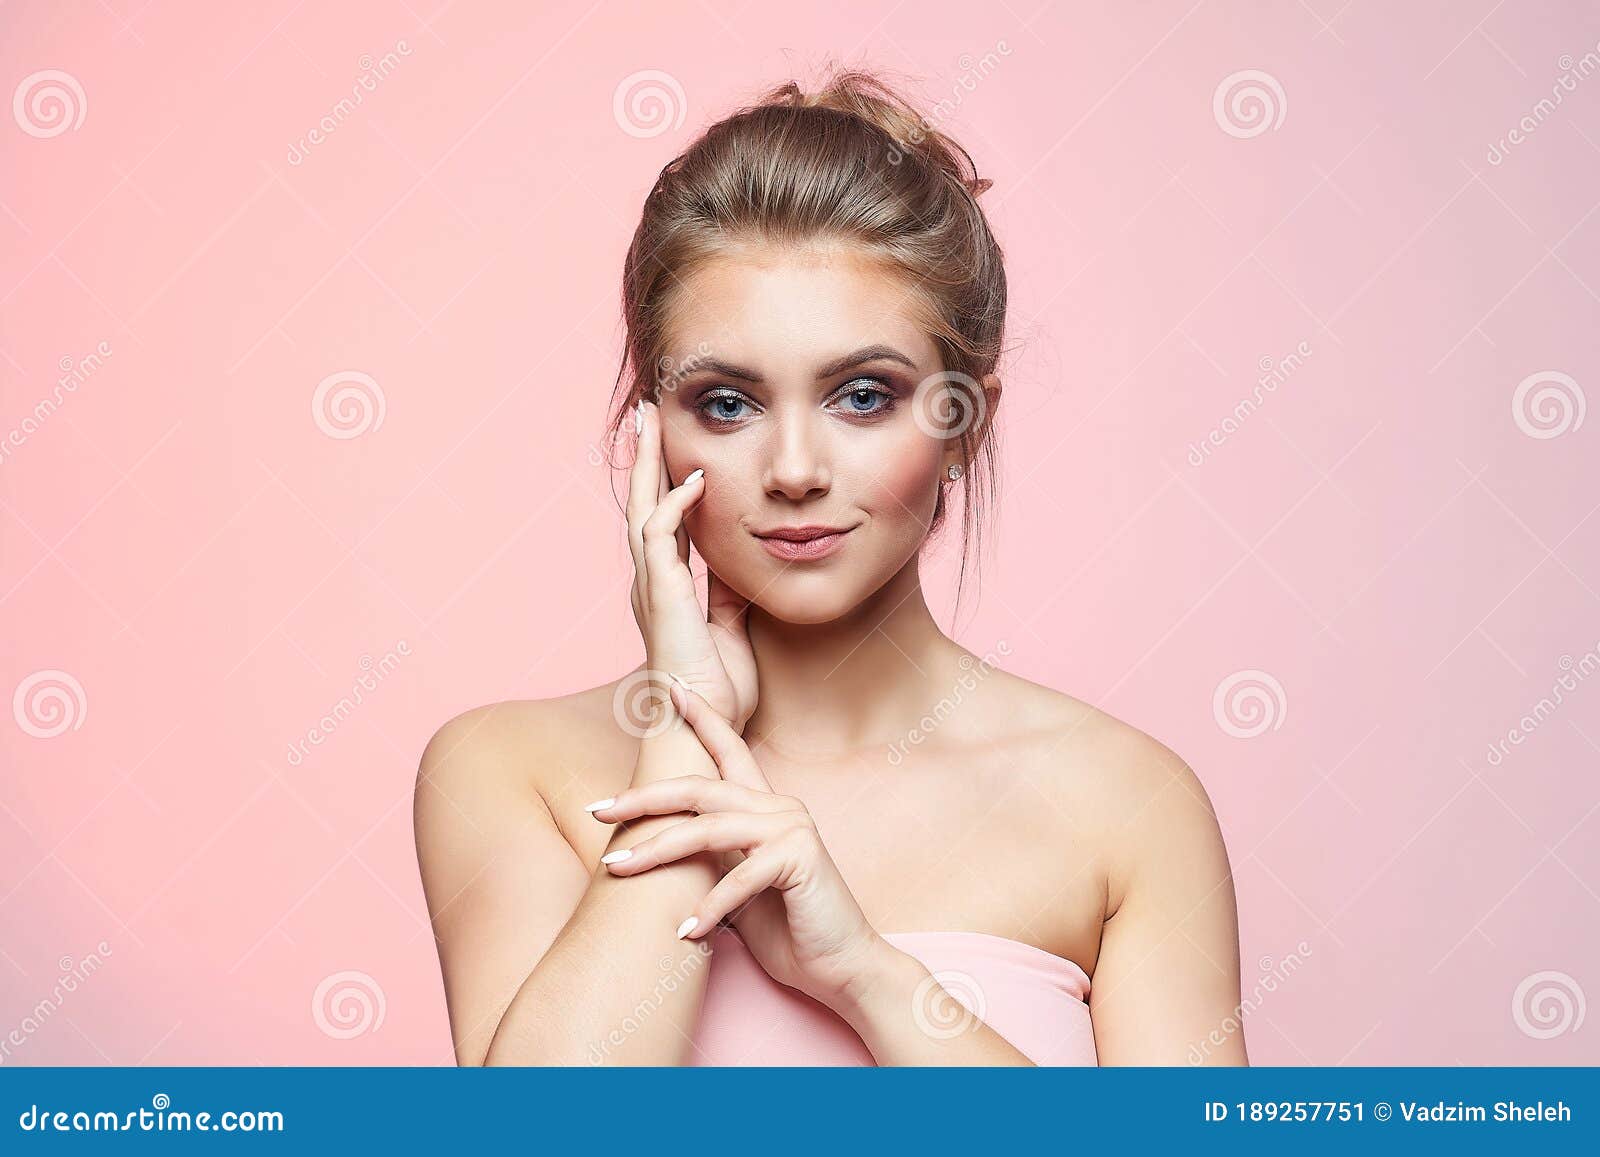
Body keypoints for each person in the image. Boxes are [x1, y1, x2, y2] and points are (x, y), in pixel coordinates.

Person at [414, 66, 1247, 1066]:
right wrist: (683, 731)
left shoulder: (1125, 803)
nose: (796, 471)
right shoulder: (513, 773)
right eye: (727, 403)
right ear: (650, 431)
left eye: (861, 395)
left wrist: (866, 974)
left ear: (961, 424)